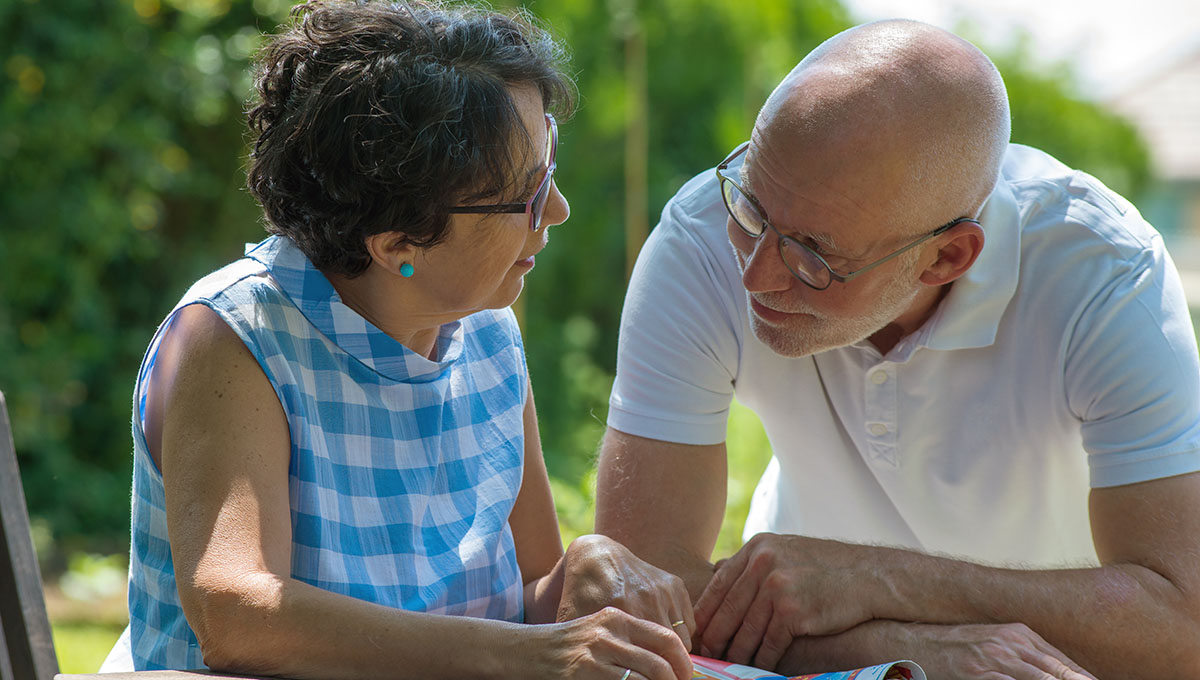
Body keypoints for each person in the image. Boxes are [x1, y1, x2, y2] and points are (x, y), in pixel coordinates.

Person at [101, 2, 695, 677]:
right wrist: (516, 655)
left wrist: (581, 574)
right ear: (397, 242)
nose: (556, 210)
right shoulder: (237, 336)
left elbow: (532, 603)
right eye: (528, 195)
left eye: (549, 165)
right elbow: (235, 614)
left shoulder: (490, 334)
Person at [596, 19, 1200, 680]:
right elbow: (637, 593)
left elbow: (1181, 626)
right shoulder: (705, 239)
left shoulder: (1103, 275)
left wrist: (879, 579)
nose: (755, 274)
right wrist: (921, 654)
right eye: (753, 206)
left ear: (947, 256)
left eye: (813, 255)